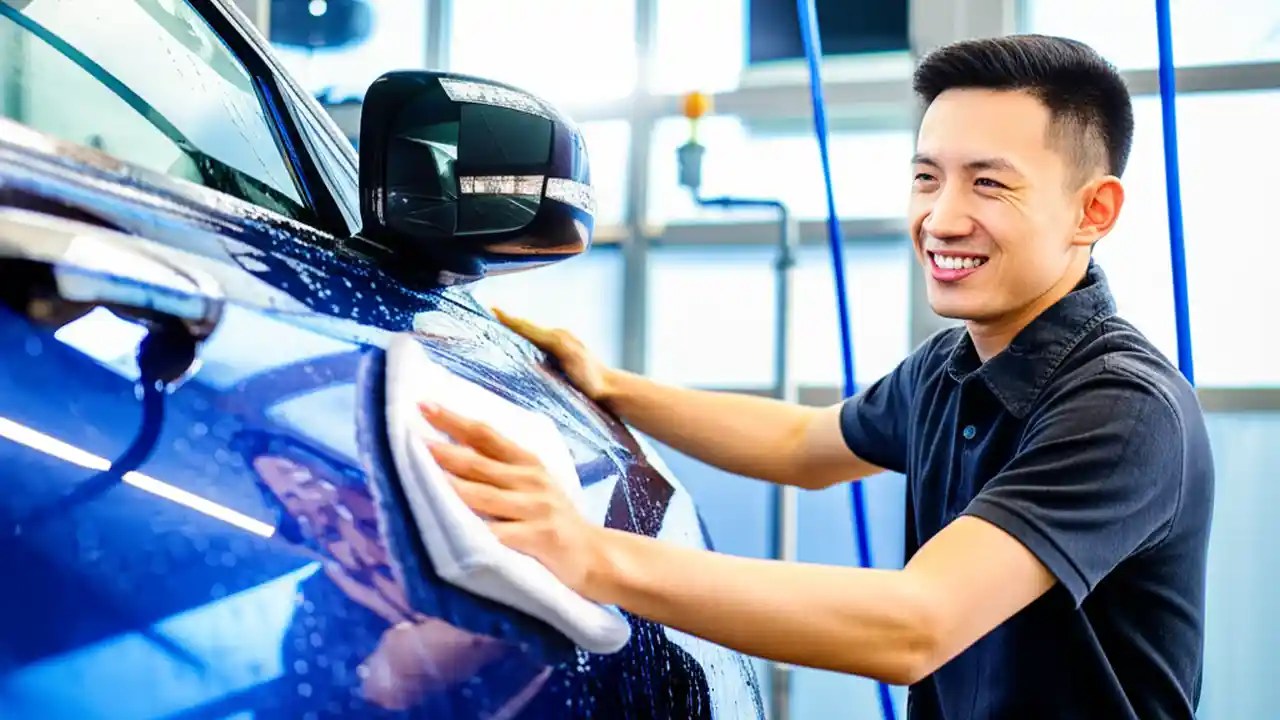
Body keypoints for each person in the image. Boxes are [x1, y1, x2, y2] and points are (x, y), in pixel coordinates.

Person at [420, 34, 1214, 720]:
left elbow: (914, 624)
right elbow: (805, 443)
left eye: (990, 182)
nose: (941, 218)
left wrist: (588, 554)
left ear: (1094, 211)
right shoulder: (955, 363)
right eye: (927, 177)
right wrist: (612, 386)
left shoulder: (1120, 407)